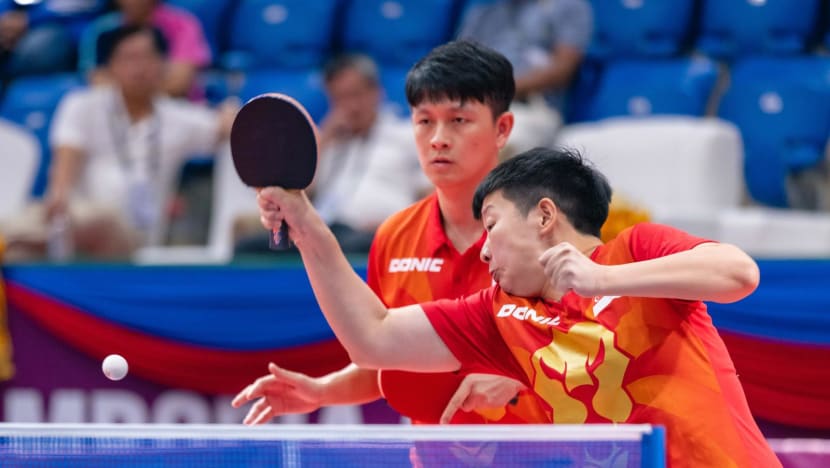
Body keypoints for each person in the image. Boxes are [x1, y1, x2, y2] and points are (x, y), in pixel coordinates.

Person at [250, 146, 781, 467]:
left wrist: (603, 280)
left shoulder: (636, 250)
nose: (483, 250)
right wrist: (305, 224)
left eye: (493, 226)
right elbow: (374, 336)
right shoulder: (499, 314)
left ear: (544, 216)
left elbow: (739, 274)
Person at [232, 41, 549, 427]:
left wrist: (524, 378)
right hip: (430, 454)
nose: (438, 138)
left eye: (458, 120)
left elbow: (592, 351)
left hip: (536, 451)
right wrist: (322, 391)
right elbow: (387, 354)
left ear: (502, 129)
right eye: (424, 121)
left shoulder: (546, 233)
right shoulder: (395, 235)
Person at [1, 25, 233, 260]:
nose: (139, 68)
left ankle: (8, 234)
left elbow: (226, 125)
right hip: (75, 227)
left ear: (163, 64)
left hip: (133, 238)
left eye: (147, 57)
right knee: (18, 254)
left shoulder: (179, 118)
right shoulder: (82, 105)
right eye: (129, 59)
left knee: (105, 219)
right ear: (111, 66)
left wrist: (231, 113)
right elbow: (65, 162)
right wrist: (59, 196)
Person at [457, 0, 592, 157]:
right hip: (476, 106)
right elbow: (459, 64)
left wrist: (500, 91)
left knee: (500, 144)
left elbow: (563, 70)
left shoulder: (567, 6)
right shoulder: (483, 12)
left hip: (530, 108)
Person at [78, 0, 211, 99]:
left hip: (177, 107)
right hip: (116, 112)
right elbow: (98, 81)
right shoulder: (101, 30)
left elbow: (178, 83)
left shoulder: (183, 25)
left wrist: (134, 94)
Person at [0, 0, 109, 80]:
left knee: (36, 47)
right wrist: (5, 21)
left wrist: (28, 19)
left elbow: (77, 6)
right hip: (22, 24)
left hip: (67, 28)